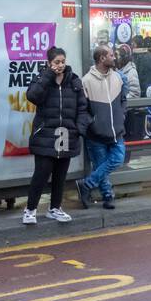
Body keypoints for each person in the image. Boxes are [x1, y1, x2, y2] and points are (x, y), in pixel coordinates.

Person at [25, 46, 90, 224]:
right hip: (46, 133)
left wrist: (78, 129)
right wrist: (47, 76)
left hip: (67, 134)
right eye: (56, 62)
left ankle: (55, 208)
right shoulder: (42, 78)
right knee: (41, 173)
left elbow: (83, 108)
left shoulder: (74, 81)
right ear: (49, 63)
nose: (60, 65)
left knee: (61, 174)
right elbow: (32, 96)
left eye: (62, 61)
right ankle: (30, 209)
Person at [77, 45, 127, 210]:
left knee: (118, 158)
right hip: (96, 132)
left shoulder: (118, 78)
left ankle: (86, 184)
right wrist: (92, 123)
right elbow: (82, 109)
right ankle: (108, 196)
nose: (114, 57)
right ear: (102, 59)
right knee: (101, 165)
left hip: (116, 130)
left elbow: (123, 100)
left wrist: (122, 115)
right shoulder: (86, 81)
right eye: (111, 55)